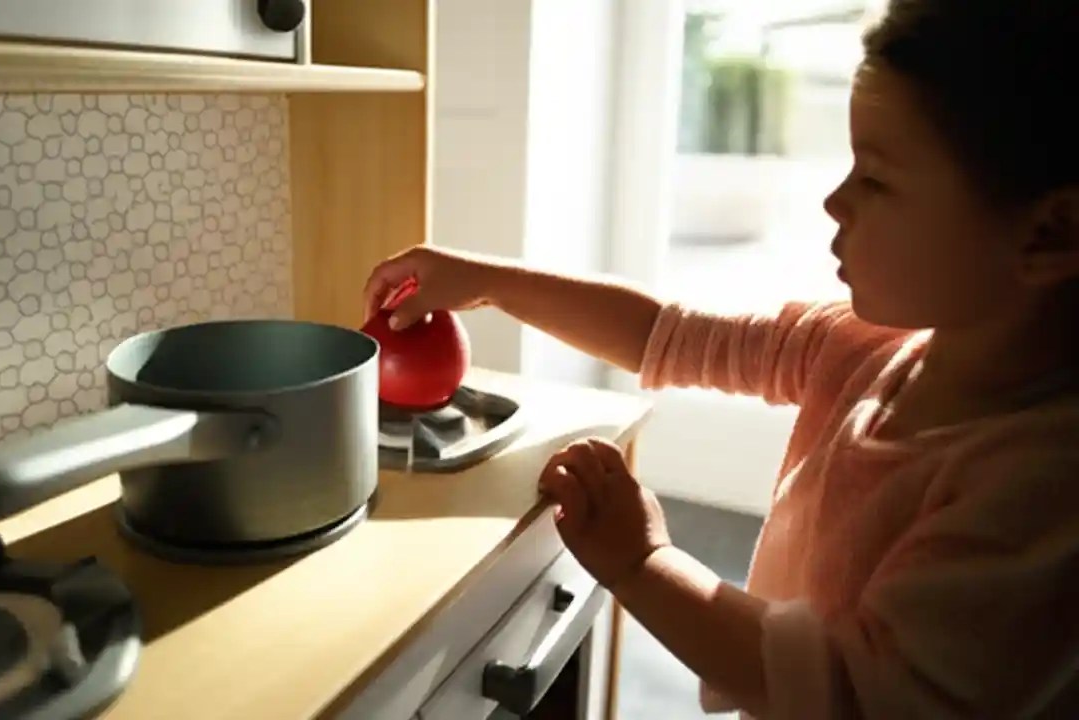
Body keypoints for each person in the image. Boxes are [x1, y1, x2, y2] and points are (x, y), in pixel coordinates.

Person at [361, 1, 1079, 717]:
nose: (835, 201)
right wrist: (489, 282)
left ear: (1050, 233)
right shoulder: (870, 353)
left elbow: (852, 691)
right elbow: (667, 333)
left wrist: (644, 564)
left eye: (878, 180)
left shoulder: (1037, 495)